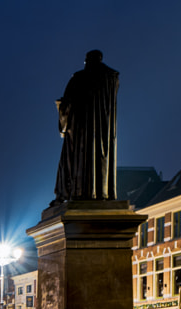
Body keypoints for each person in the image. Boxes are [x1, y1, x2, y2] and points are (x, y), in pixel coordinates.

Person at [53, 50, 119, 204]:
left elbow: (66, 105)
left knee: (71, 159)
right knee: (101, 158)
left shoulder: (79, 78)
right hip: (104, 133)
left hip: (80, 131)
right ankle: (103, 191)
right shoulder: (112, 79)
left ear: (88, 61)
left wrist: (62, 116)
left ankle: (73, 192)